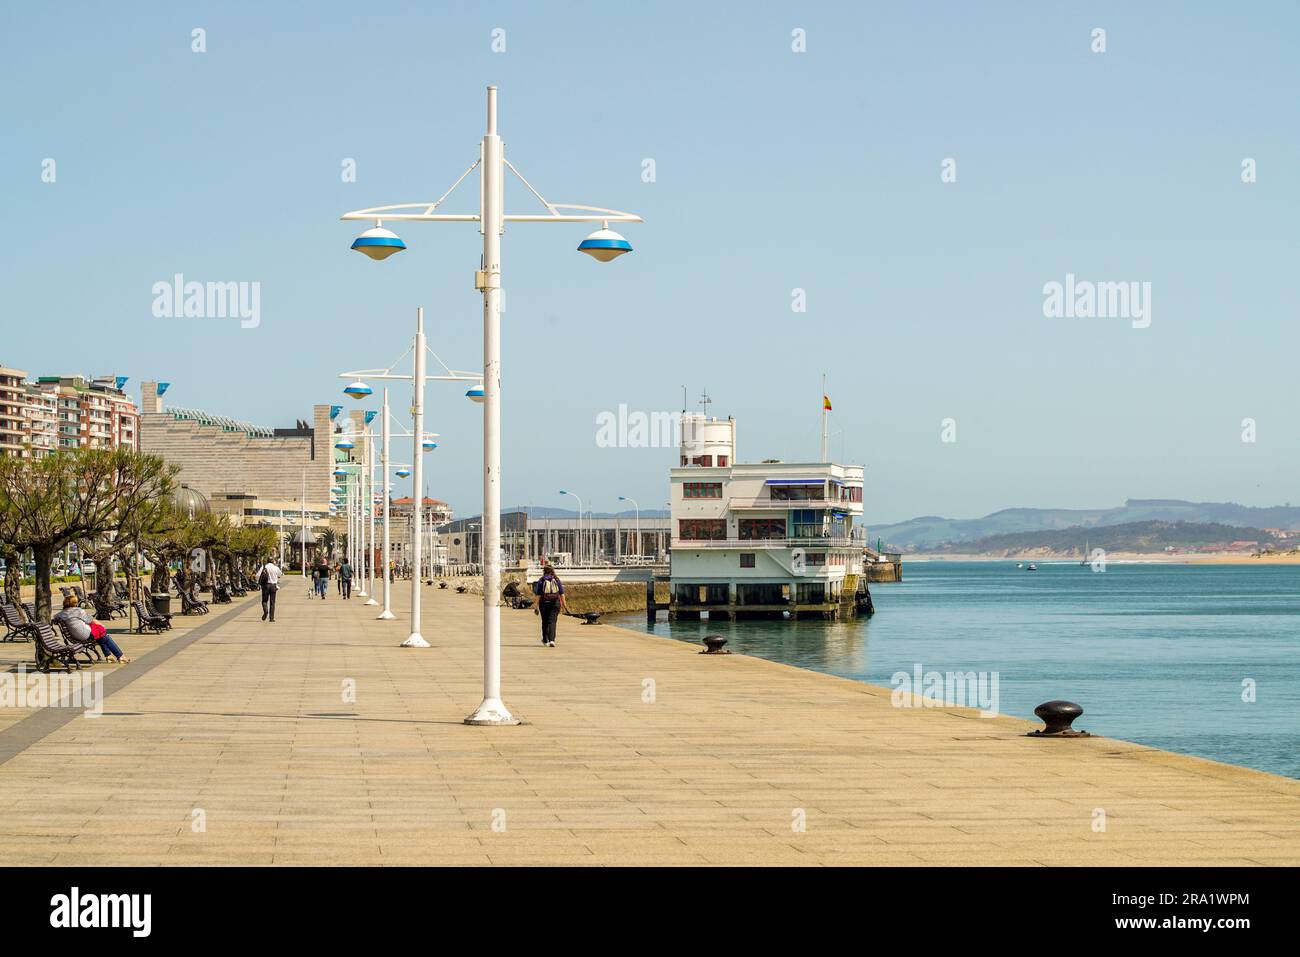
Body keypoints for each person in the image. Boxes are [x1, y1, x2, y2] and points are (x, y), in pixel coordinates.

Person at [53, 595, 130, 663]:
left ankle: (109, 656)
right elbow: (91, 620)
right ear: (74, 603)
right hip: (84, 635)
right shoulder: (78, 611)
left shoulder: (61, 614)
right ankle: (120, 656)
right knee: (104, 636)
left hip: (74, 635)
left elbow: (55, 617)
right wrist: (102, 625)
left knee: (101, 635)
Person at [531, 564, 568, 647]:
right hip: (555, 603)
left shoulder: (541, 580)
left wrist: (535, 605)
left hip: (544, 603)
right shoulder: (556, 579)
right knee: (552, 621)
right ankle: (552, 640)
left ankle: (545, 640)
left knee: (545, 622)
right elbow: (561, 593)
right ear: (552, 571)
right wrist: (564, 604)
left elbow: (539, 594)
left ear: (544, 571)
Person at [257, 556, 282, 622]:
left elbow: (258, 575)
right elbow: (280, 574)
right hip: (273, 586)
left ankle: (266, 611)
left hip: (265, 586)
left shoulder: (264, 567)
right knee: (272, 602)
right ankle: (271, 618)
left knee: (264, 601)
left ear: (267, 560)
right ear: (273, 561)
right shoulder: (275, 567)